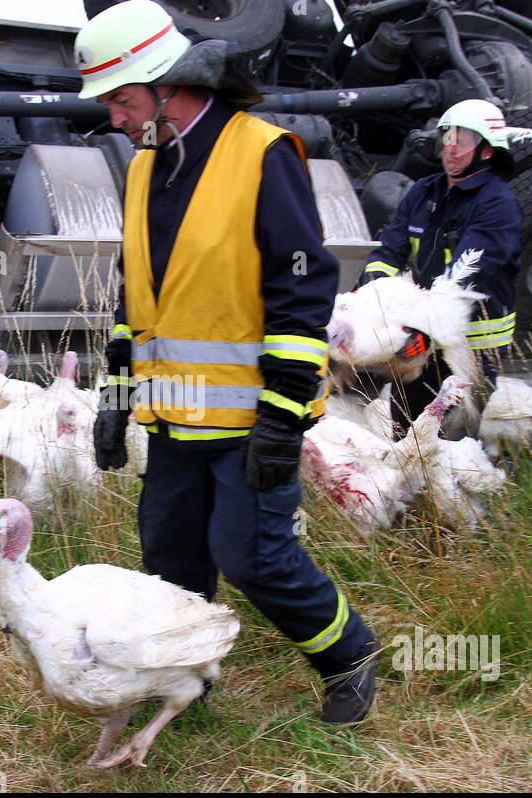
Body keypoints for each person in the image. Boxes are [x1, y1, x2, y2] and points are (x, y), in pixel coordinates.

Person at [77, 0, 380, 724]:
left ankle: (353, 658)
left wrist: (282, 413)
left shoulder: (262, 152)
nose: (115, 118)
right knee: (171, 563)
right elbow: (138, 297)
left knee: (251, 559)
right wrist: (117, 394)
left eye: (121, 99)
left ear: (167, 83)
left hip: (250, 419)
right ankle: (187, 686)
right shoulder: (147, 169)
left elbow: (303, 289)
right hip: (174, 416)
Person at [356, 99, 532, 430]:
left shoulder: (497, 204)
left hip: (473, 344)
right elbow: (390, 250)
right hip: (422, 332)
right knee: (403, 421)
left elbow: (465, 279)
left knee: (455, 430)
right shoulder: (425, 191)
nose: (450, 148)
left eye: (462, 140)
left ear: (487, 150)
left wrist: (421, 330)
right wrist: (371, 294)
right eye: (446, 138)